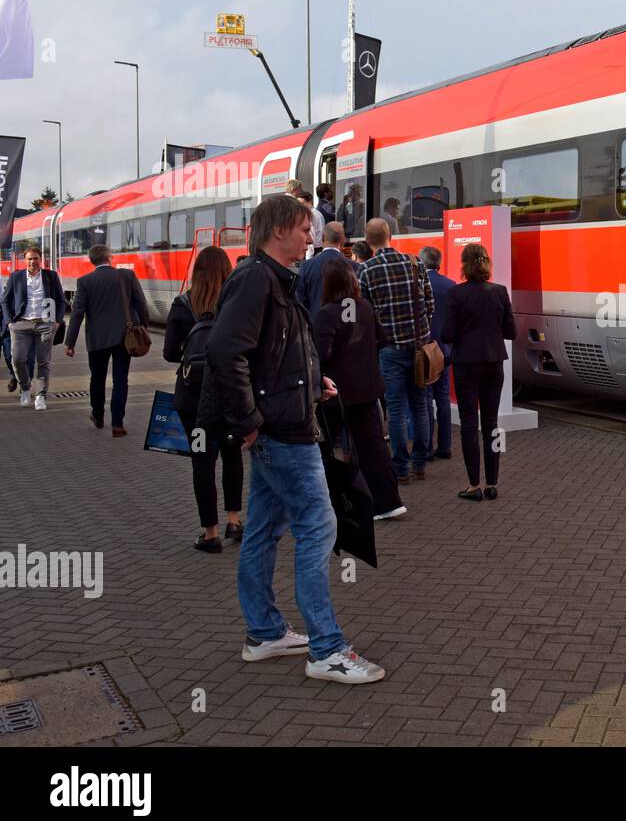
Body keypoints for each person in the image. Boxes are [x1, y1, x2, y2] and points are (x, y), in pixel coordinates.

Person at [202, 193, 385, 684]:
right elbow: (226, 351)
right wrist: (250, 420)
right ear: (279, 229)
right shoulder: (257, 279)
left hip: (284, 423)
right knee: (318, 526)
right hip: (284, 434)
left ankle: (264, 633)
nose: (311, 236)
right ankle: (326, 649)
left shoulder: (271, 279)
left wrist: (310, 380)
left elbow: (270, 352)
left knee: (262, 529)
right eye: (305, 228)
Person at [313, 257, 406, 522]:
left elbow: (321, 355)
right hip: (367, 388)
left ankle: (329, 502)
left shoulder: (327, 313)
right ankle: (388, 501)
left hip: (335, 394)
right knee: (373, 446)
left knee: (323, 446)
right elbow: (383, 339)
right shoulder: (364, 306)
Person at [164, 246, 243, 553]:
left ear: (197, 272)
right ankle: (234, 520)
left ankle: (210, 534)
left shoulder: (182, 304)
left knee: (202, 463)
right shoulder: (235, 304)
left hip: (193, 403)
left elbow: (170, 353)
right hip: (230, 396)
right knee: (233, 455)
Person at [440, 242, 516, 502]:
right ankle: (493, 482)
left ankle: (474, 485)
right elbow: (511, 332)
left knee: (469, 425)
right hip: (494, 363)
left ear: (464, 264)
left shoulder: (456, 294)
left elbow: (447, 334)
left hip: (466, 365)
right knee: (492, 424)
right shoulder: (500, 292)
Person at [359, 218, 432, 484]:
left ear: (368, 241)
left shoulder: (365, 271)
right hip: (418, 346)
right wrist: (422, 332)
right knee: (421, 405)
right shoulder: (415, 263)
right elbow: (429, 302)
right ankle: (421, 464)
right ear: (391, 235)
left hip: (389, 350)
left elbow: (363, 316)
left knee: (397, 409)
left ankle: (400, 468)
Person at [63, 245, 147, 435]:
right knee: (120, 380)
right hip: (124, 338)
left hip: (97, 338)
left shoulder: (84, 281)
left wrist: (70, 342)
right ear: (109, 257)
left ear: (92, 261)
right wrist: (144, 328)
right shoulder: (126, 276)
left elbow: (77, 314)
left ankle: (98, 415)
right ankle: (117, 423)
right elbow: (141, 303)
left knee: (97, 378)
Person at [1, 246, 65, 411]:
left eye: (35, 258)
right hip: (21, 324)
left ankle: (41, 396)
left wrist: (57, 320)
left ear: (40, 259)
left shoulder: (51, 276)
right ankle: (25, 388)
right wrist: (9, 322)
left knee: (43, 362)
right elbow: (5, 300)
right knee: (17, 360)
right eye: (29, 259)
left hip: (45, 324)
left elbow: (60, 299)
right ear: (25, 260)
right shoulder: (16, 277)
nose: (33, 262)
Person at [419, 246, 456, 461]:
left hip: (425, 350)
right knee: (443, 398)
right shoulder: (451, 286)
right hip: (445, 350)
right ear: (439, 263)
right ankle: (445, 447)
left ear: (422, 263)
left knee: (425, 399)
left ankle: (426, 447)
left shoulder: (418, 285)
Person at [295, 222, 348, 317]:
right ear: (343, 240)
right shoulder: (354, 267)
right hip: (347, 325)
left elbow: (300, 301)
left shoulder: (306, 266)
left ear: (323, 237)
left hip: (316, 325)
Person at [1, 297, 35, 393]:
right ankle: (15, 375)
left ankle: (26, 385)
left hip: (30, 322)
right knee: (8, 355)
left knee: (30, 358)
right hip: (8, 323)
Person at [289, 179, 324, 257]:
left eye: (302, 203)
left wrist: (308, 257)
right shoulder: (310, 214)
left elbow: (314, 235)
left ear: (310, 201)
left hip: (314, 250)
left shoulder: (314, 214)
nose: (301, 206)